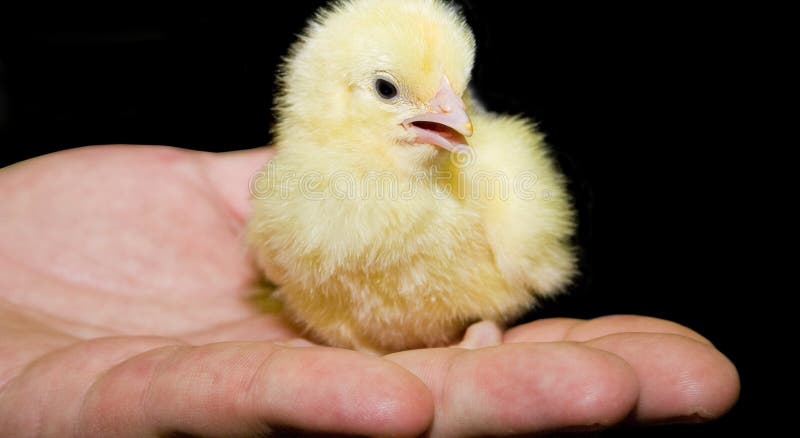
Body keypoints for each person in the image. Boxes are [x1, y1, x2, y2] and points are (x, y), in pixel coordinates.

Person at [0, 145, 739, 436]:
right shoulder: (299, 191)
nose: (452, 113)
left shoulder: (489, 171)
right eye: (394, 90)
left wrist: (480, 323)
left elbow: (534, 261)